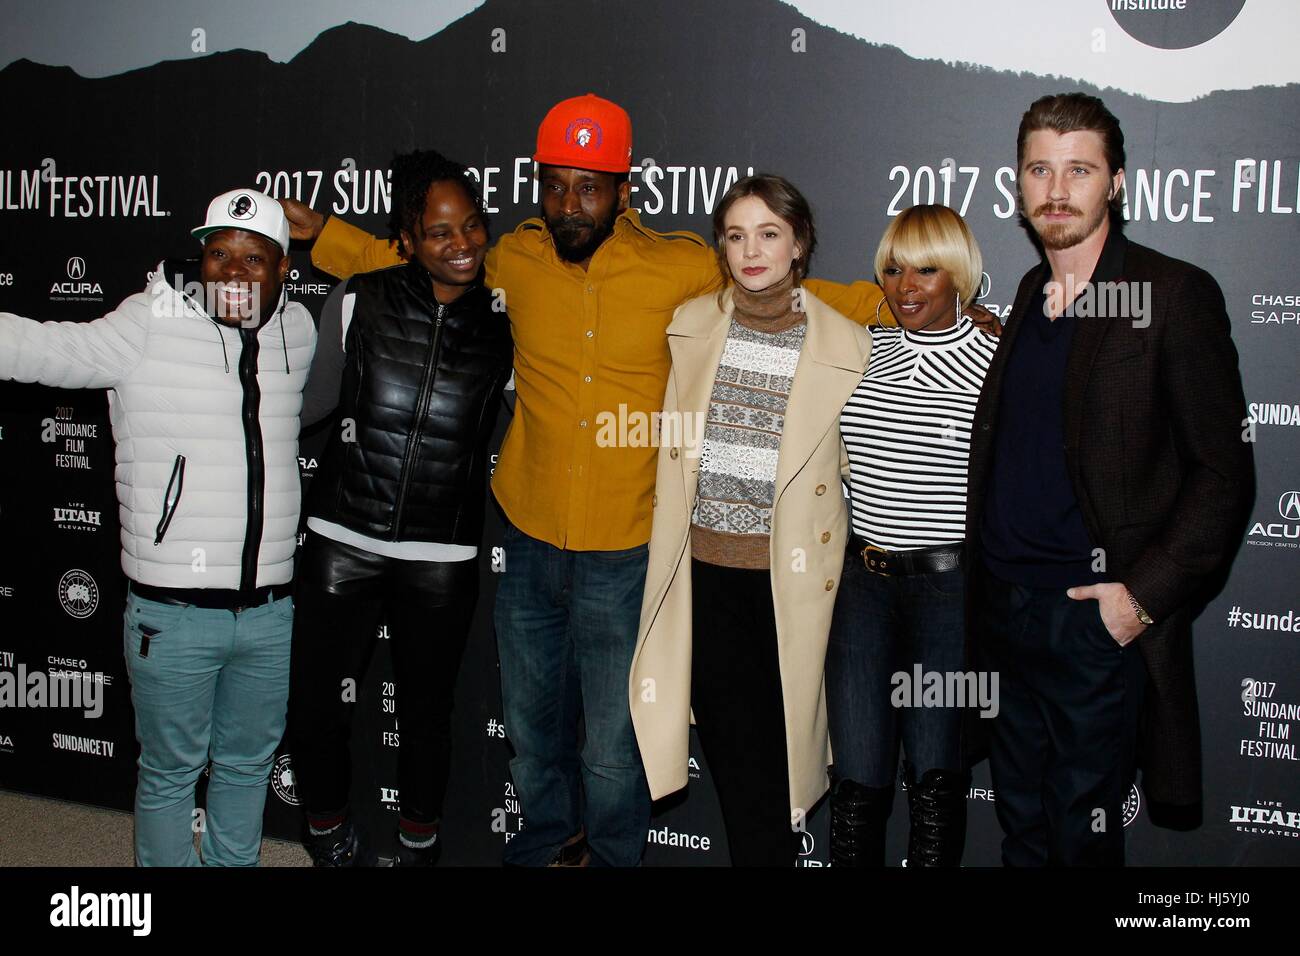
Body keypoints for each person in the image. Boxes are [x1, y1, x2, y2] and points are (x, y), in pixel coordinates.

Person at [278, 94, 902, 866]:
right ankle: (547, 846)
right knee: (534, 738)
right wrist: (325, 237)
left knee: (613, 749)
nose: (570, 203)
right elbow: (410, 258)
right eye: (556, 185)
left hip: (626, 549)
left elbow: (782, 287)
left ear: (623, 190)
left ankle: (611, 858)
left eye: (589, 187)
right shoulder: (512, 258)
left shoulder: (677, 264)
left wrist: (903, 302)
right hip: (532, 541)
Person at [966, 93, 1253, 866]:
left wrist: (1139, 600)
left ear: (1117, 183)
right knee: (1021, 825)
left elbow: (1223, 474)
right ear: (1019, 183)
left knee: (1080, 833)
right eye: (1039, 169)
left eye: (1079, 170)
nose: (1056, 190)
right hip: (1004, 610)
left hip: (1091, 618)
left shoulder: (1172, 295)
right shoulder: (1028, 293)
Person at [0, 189, 316, 865]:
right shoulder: (149, 322)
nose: (233, 271)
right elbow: (38, 347)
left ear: (283, 268)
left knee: (246, 766)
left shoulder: (300, 332)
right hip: (171, 614)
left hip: (269, 612)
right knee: (171, 775)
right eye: (218, 254)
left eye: (253, 258)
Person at [628, 175, 872, 866]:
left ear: (799, 243)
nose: (752, 250)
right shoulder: (690, 328)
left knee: (782, 766)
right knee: (739, 771)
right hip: (704, 586)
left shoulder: (850, 348)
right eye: (736, 236)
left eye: (769, 233)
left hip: (792, 592)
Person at [286, 150, 512, 866]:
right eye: (440, 232)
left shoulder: (510, 322)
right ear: (406, 241)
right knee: (319, 708)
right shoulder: (358, 298)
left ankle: (420, 842)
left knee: (427, 717)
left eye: (472, 227)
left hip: (440, 555)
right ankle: (324, 829)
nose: (463, 245)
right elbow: (311, 406)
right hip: (340, 539)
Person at [827, 204, 997, 867]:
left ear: (959, 274)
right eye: (894, 270)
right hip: (861, 590)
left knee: (935, 780)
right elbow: (780, 290)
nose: (907, 286)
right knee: (858, 779)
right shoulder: (859, 348)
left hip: (948, 597)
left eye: (927, 269)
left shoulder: (998, 357)